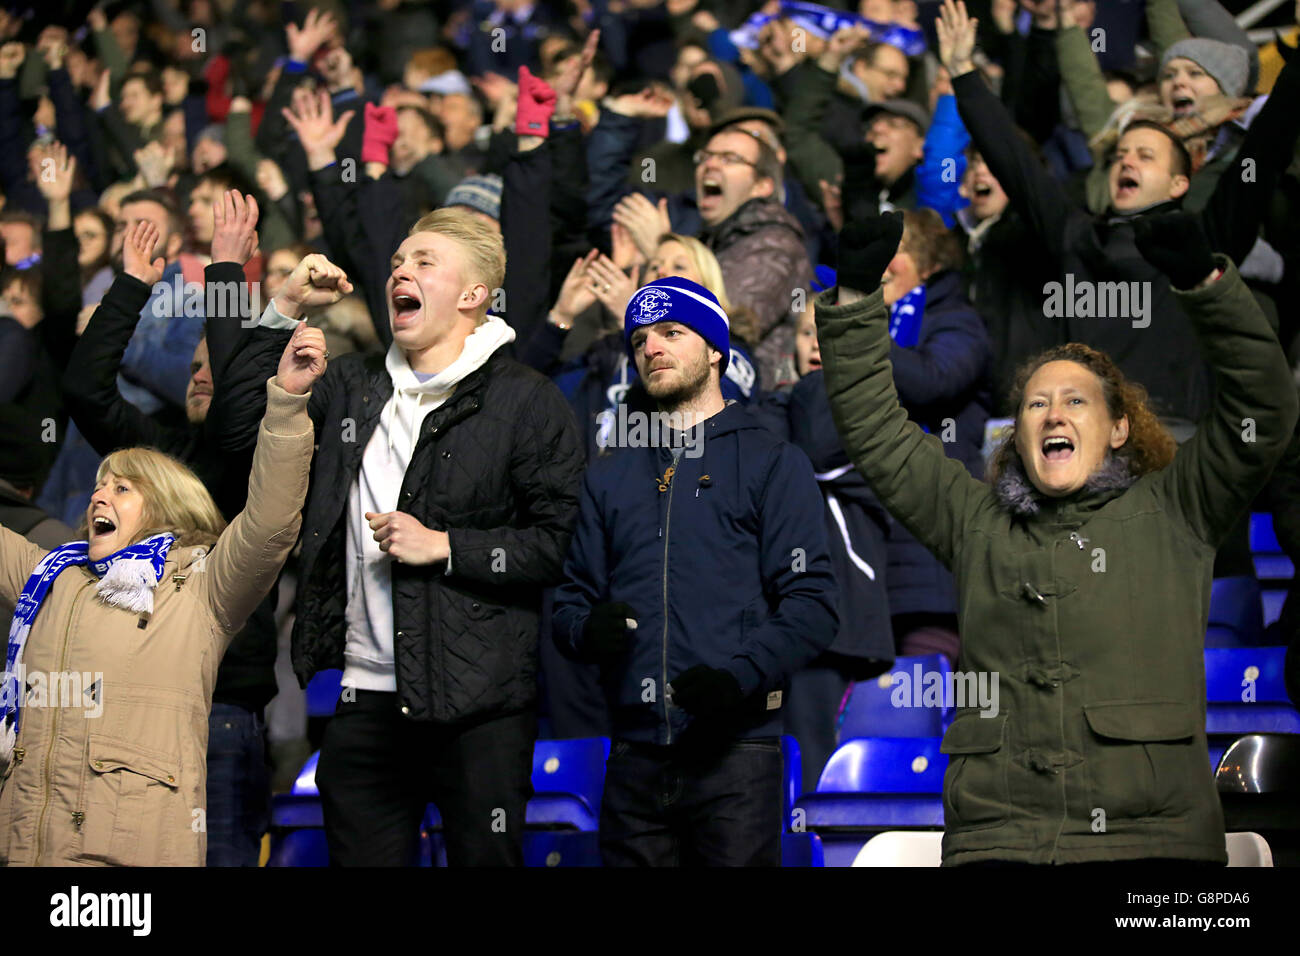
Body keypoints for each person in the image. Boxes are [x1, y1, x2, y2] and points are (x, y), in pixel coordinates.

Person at [815, 205, 1297, 864]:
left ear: (1120, 428)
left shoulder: (1180, 507)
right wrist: (852, 302)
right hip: (999, 844)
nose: (1051, 414)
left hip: (1153, 846)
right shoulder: (975, 521)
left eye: (1075, 401)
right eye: (1035, 404)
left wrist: (1208, 286)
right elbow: (875, 430)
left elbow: (1263, 409)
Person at [206, 206, 584, 867]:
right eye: (396, 263)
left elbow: (560, 543)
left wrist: (447, 546)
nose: (400, 272)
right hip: (363, 703)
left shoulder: (526, 401)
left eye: (424, 262)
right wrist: (283, 305)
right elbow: (234, 427)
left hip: (480, 709)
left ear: (472, 295)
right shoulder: (351, 386)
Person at [0, 219, 321, 866]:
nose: (99, 496)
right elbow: (87, 389)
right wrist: (132, 286)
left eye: (121, 489)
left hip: (221, 714)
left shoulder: (207, 546)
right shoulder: (67, 565)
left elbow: (255, 467)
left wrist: (250, 296)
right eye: (101, 485)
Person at [552, 276, 839, 866]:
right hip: (632, 757)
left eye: (671, 332)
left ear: (715, 350)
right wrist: (586, 630)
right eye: (639, 340)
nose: (651, 348)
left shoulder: (771, 461)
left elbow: (813, 603)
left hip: (736, 754)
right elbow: (568, 605)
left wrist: (739, 676)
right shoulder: (610, 474)